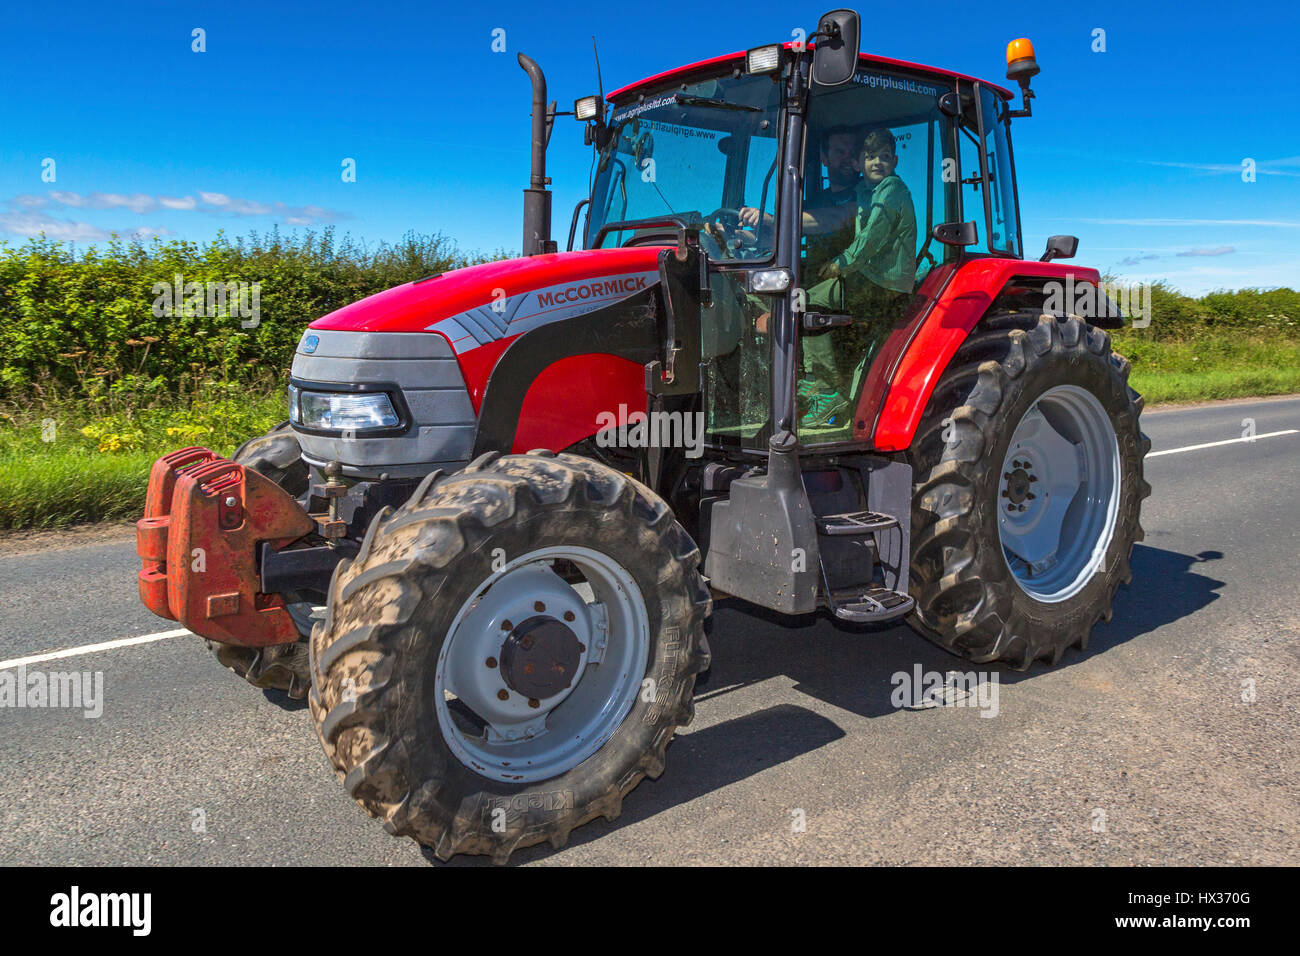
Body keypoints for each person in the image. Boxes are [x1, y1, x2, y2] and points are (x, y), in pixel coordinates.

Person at [798, 127, 917, 428]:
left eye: (885, 157)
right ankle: (811, 381)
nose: (878, 163)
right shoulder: (867, 192)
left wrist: (840, 264)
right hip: (871, 277)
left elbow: (872, 237)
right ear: (860, 163)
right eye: (870, 157)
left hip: (883, 282)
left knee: (808, 302)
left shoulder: (891, 189)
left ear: (895, 162)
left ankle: (826, 390)